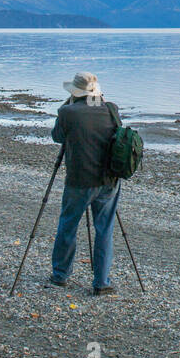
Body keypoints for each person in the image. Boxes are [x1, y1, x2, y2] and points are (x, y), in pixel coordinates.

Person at [49, 72, 123, 296]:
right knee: (105, 230)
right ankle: (101, 282)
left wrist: (67, 104)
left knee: (68, 225)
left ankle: (60, 275)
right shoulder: (111, 109)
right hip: (108, 179)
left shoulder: (67, 112)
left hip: (79, 180)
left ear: (75, 92)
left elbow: (57, 136)